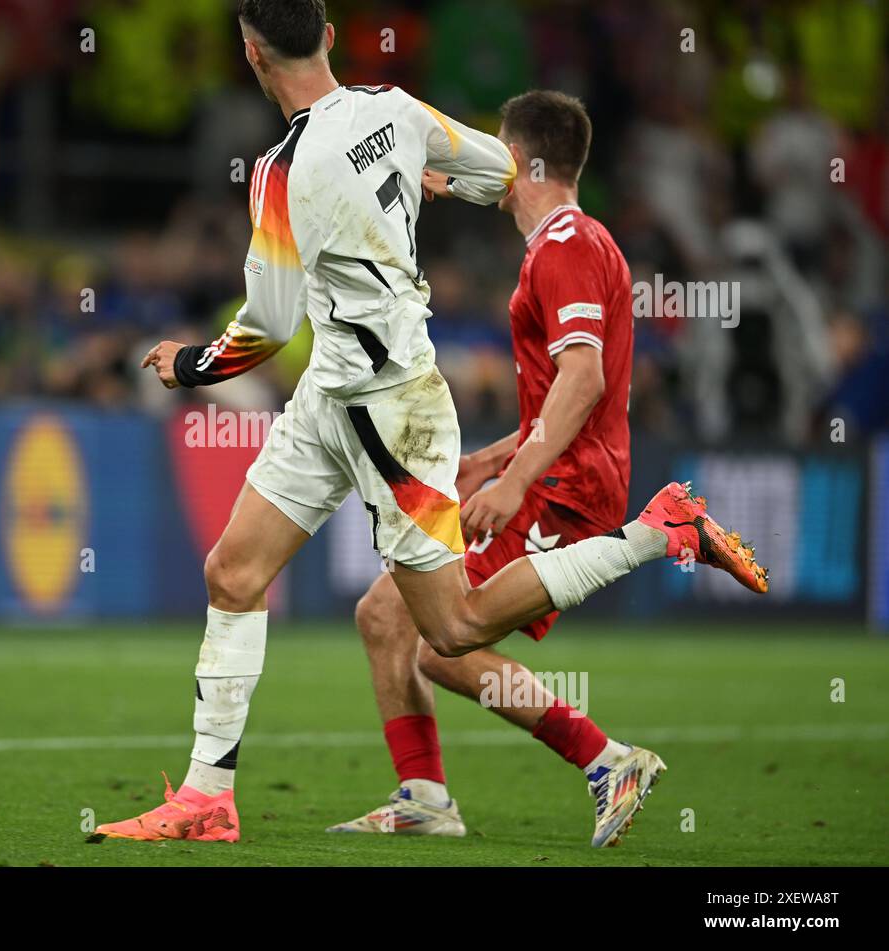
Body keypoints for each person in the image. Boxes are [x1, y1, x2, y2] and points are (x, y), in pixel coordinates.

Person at [97, 0, 766, 844]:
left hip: (391, 410)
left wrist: (186, 363)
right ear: (330, 37)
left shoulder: (279, 170)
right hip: (330, 398)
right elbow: (501, 172)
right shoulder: (396, 109)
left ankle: (650, 538)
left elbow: (265, 329)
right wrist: (417, 184)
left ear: (252, 54)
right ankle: (213, 799)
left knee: (447, 631)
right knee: (235, 572)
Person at [328, 90, 663, 848]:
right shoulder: (566, 240)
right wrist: (492, 458)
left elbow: (583, 381)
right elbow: (561, 395)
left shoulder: (568, 245)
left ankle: (607, 760)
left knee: (444, 642)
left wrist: (516, 481)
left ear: (521, 159)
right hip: (545, 470)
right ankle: (423, 796)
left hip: (564, 489)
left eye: (493, 152)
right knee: (385, 614)